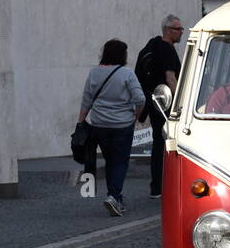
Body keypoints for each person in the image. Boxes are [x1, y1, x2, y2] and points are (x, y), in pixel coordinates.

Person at [78, 38, 145, 217]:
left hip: (99, 124)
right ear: (122, 55)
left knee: (111, 161)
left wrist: (80, 122)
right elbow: (140, 99)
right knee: (120, 162)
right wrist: (136, 116)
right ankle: (113, 196)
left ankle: (116, 198)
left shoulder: (94, 73)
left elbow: (86, 100)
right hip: (122, 124)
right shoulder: (127, 74)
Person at [133, 14, 183, 199]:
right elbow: (171, 78)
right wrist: (181, 103)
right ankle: (166, 186)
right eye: (178, 29)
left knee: (158, 144)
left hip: (154, 104)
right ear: (168, 30)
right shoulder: (166, 49)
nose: (182, 32)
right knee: (169, 144)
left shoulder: (151, 46)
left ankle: (157, 187)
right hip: (168, 104)